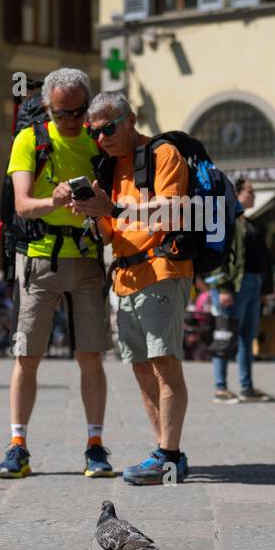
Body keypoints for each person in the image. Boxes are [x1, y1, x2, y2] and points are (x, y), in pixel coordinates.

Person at [0, 68, 114, 480]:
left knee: (91, 356)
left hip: (85, 256)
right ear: (47, 107)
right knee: (27, 356)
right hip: (38, 258)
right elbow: (22, 205)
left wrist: (99, 204)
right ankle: (17, 445)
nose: (73, 121)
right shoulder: (29, 140)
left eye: (80, 112)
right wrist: (55, 199)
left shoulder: (99, 144)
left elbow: (116, 202)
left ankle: (95, 446)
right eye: (64, 114)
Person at [72, 90, 191, 485]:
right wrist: (94, 213)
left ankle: (169, 457)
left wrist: (114, 209)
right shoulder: (108, 166)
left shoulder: (163, 155)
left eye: (108, 128)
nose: (101, 138)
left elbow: (173, 211)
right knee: (141, 368)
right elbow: (109, 234)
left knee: (165, 363)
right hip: (123, 276)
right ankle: (163, 451)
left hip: (161, 268)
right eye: (94, 132)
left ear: (131, 119)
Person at [210, 177, 272, 403]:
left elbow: (262, 260)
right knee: (225, 336)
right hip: (233, 287)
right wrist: (223, 287)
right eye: (250, 191)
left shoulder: (249, 222)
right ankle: (220, 387)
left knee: (248, 337)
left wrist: (265, 288)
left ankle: (246, 387)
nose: (254, 195)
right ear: (236, 194)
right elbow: (218, 257)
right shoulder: (225, 220)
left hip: (252, 285)